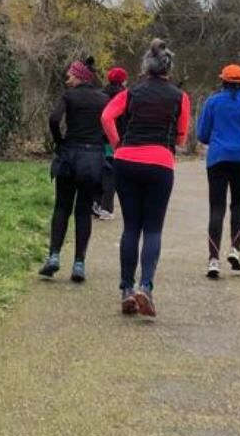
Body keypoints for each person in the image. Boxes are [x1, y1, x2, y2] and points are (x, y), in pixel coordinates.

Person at [101, 39, 190, 318]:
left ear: (146, 67)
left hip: (126, 160)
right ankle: (146, 287)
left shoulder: (131, 93)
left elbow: (106, 117)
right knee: (153, 229)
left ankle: (126, 289)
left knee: (131, 228)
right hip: (160, 162)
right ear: (168, 68)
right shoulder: (180, 97)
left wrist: (117, 143)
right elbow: (181, 138)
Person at [39, 57, 109, 283]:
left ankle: (54, 256)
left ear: (79, 76)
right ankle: (79, 263)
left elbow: (54, 119)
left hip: (69, 155)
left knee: (62, 206)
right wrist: (102, 140)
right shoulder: (103, 99)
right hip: (92, 158)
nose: (67, 79)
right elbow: (111, 123)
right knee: (83, 210)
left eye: (70, 75)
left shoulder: (69, 96)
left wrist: (59, 141)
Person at [196, 64, 240, 279]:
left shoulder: (213, 102)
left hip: (218, 158)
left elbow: (202, 134)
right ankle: (235, 249)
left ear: (223, 81)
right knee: (238, 203)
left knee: (216, 208)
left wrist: (214, 139)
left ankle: (213, 259)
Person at [94, 66, 128, 221]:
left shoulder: (99, 95)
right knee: (111, 175)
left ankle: (95, 203)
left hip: (99, 140)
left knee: (99, 172)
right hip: (117, 140)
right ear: (123, 80)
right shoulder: (126, 97)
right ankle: (106, 208)